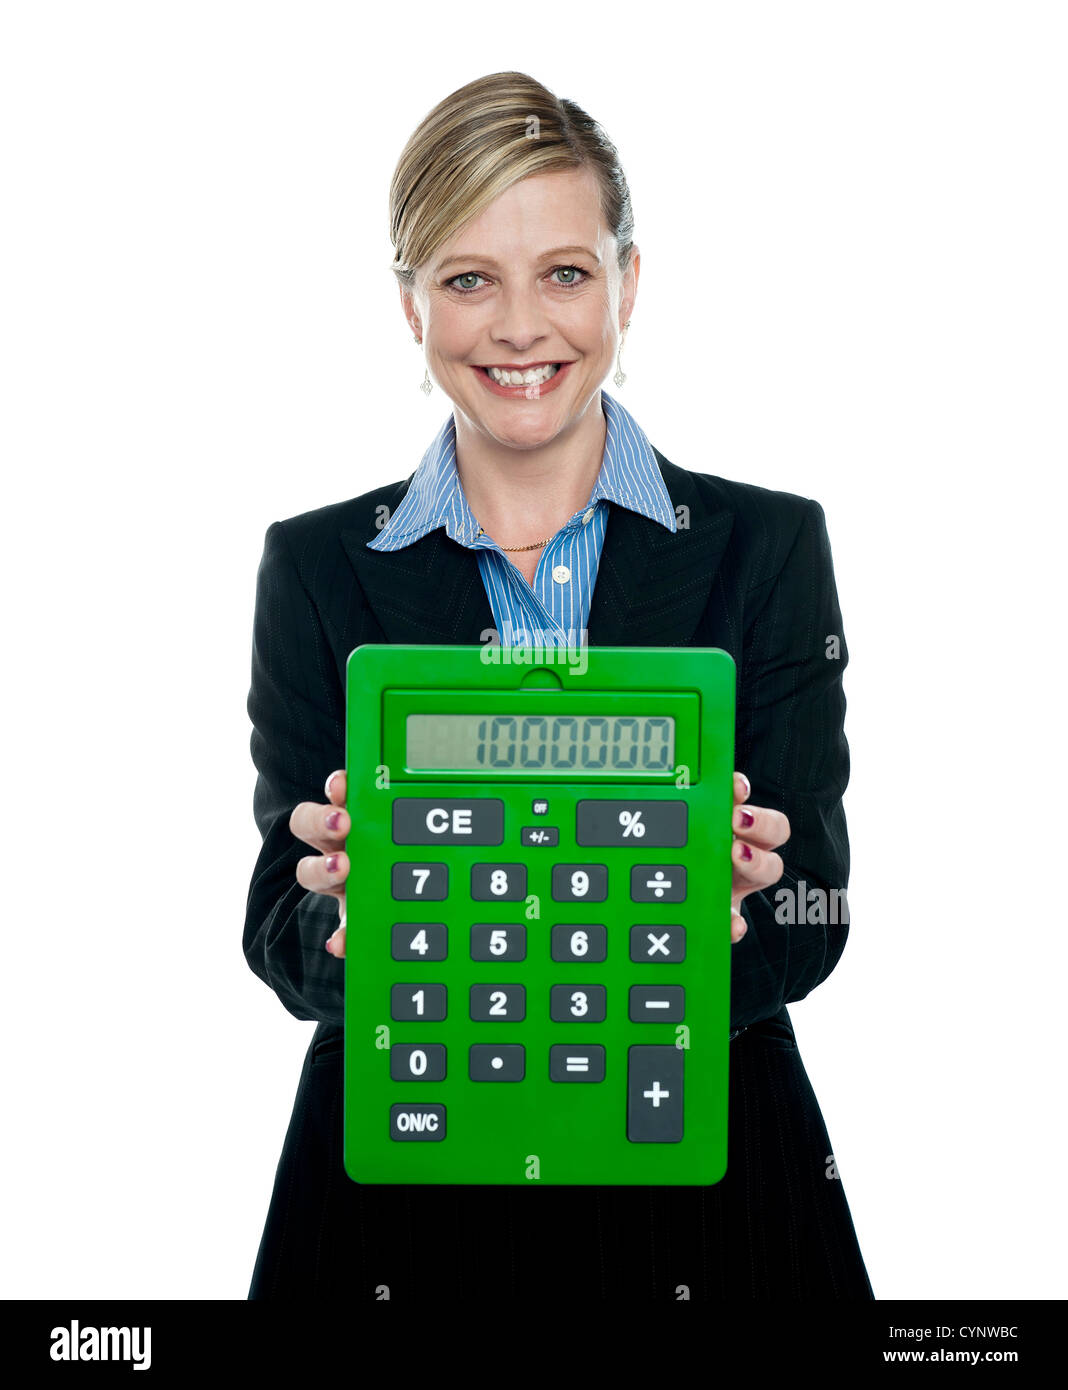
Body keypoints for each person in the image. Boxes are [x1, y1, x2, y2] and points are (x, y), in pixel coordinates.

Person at [243, 70, 874, 1300]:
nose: (520, 325)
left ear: (628, 287)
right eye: (469, 278)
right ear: (411, 306)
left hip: (707, 1188)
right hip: (399, 1203)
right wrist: (347, 927)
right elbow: (281, 918)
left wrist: (714, 924)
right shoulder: (317, 567)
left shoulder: (767, 547)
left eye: (567, 273)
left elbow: (819, 906)